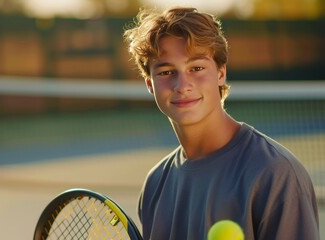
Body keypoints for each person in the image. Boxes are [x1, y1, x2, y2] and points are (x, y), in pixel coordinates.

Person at [123, 6, 319, 240]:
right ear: (149, 84)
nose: (182, 85)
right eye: (166, 72)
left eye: (196, 68)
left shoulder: (276, 174)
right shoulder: (155, 184)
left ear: (221, 73)